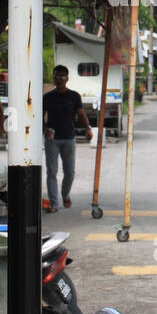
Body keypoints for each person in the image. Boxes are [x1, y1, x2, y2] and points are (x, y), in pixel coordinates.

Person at [43, 65, 91, 213]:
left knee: (69, 172)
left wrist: (87, 128)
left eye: (62, 77)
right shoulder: (47, 97)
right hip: (52, 139)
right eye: (57, 76)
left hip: (69, 138)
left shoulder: (74, 96)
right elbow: (39, 115)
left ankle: (65, 194)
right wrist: (43, 129)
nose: (59, 79)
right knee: (52, 171)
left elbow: (81, 114)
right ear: (53, 78)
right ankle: (53, 203)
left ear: (67, 78)